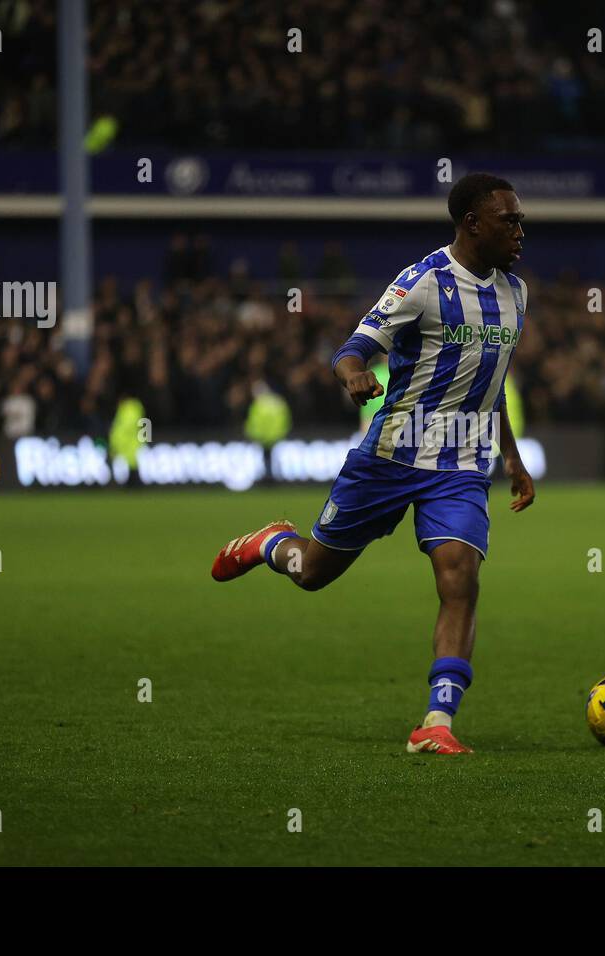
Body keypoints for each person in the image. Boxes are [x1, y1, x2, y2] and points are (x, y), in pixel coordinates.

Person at [210, 173, 535, 754]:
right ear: (472, 223)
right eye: (508, 219)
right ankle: (270, 544)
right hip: (390, 456)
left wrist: (511, 456)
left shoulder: (516, 291)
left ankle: (437, 722)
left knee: (460, 576)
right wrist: (355, 374)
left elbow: (494, 379)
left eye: (520, 219)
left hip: (462, 462)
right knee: (311, 573)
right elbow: (352, 348)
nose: (519, 229)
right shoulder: (422, 282)